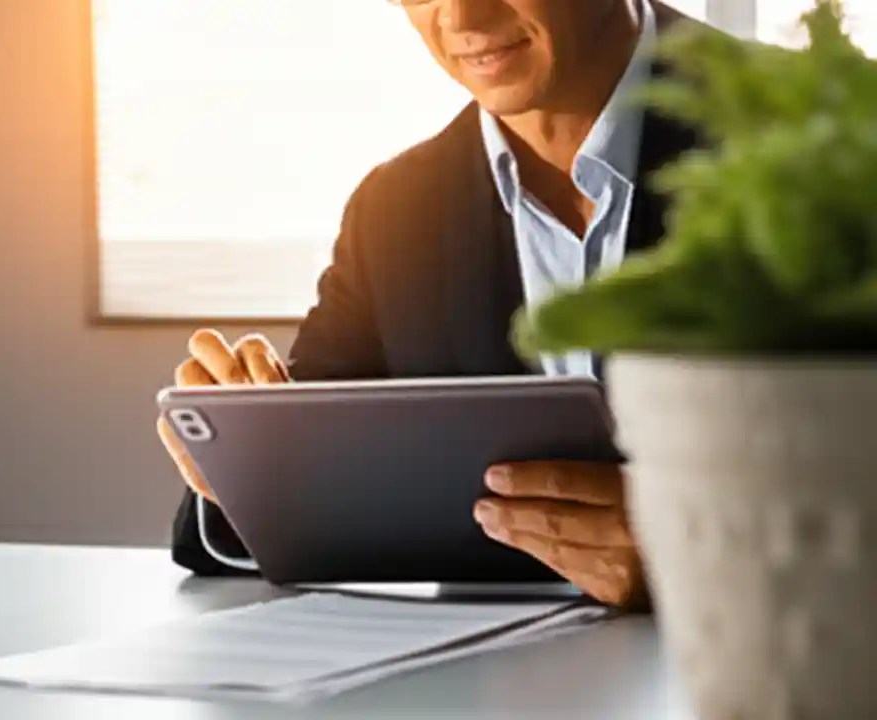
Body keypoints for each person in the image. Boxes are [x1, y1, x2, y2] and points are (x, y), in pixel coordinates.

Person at [159, 0, 705, 608]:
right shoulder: (395, 210)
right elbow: (265, 523)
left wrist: (716, 555)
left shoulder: (814, 133)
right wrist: (240, 459)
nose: (465, 19)